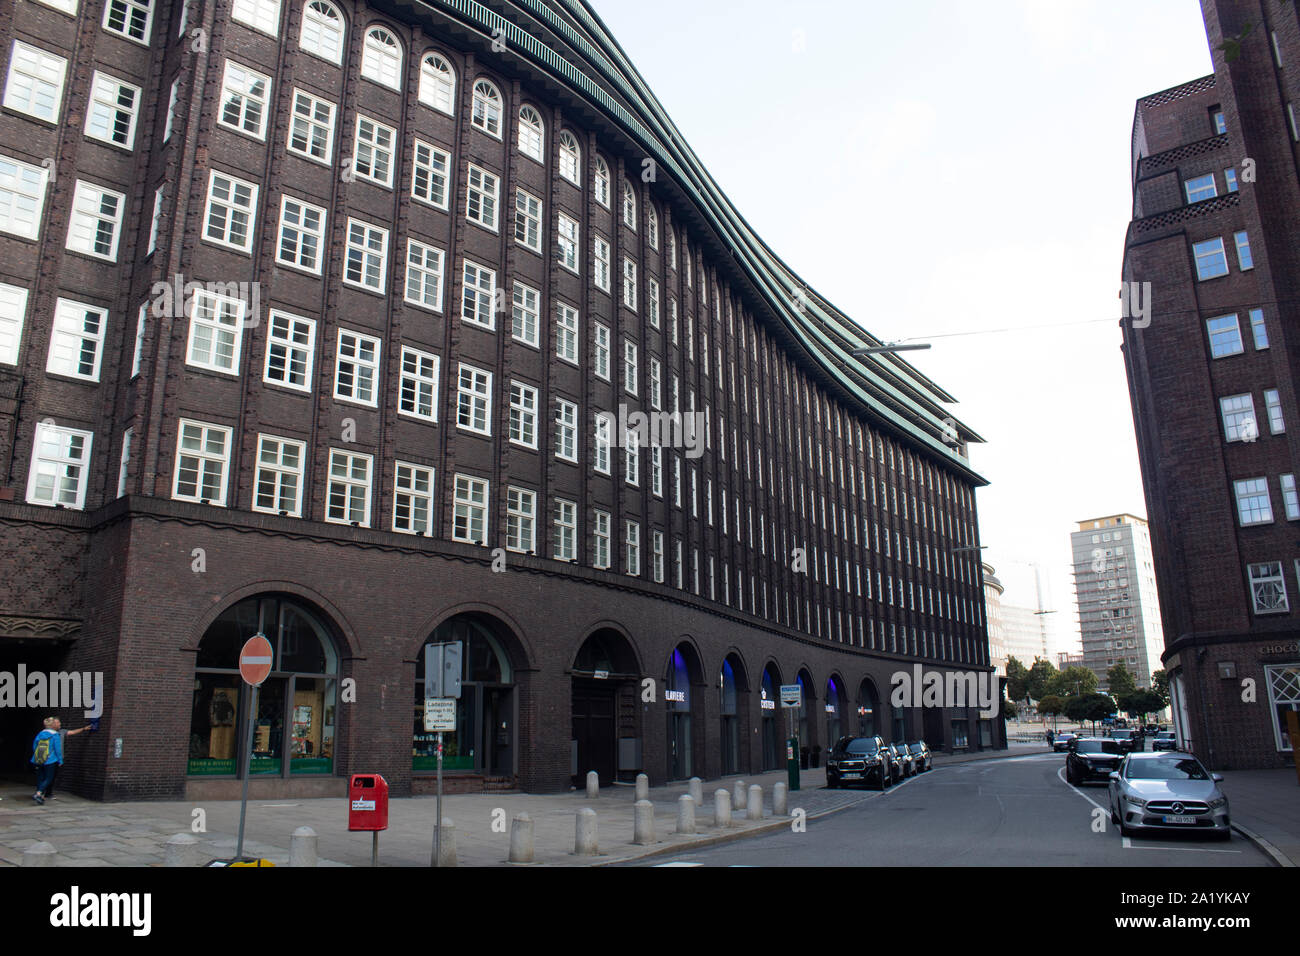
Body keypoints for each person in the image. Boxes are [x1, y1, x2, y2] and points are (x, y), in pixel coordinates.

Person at [44, 717, 93, 800]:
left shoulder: (62, 732)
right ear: (53, 724)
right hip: (48, 758)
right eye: (58, 722)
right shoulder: (46, 733)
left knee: (52, 777)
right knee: (47, 777)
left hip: (57, 759)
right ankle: (40, 792)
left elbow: (72, 732)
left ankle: (47, 793)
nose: (60, 724)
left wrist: (84, 729)